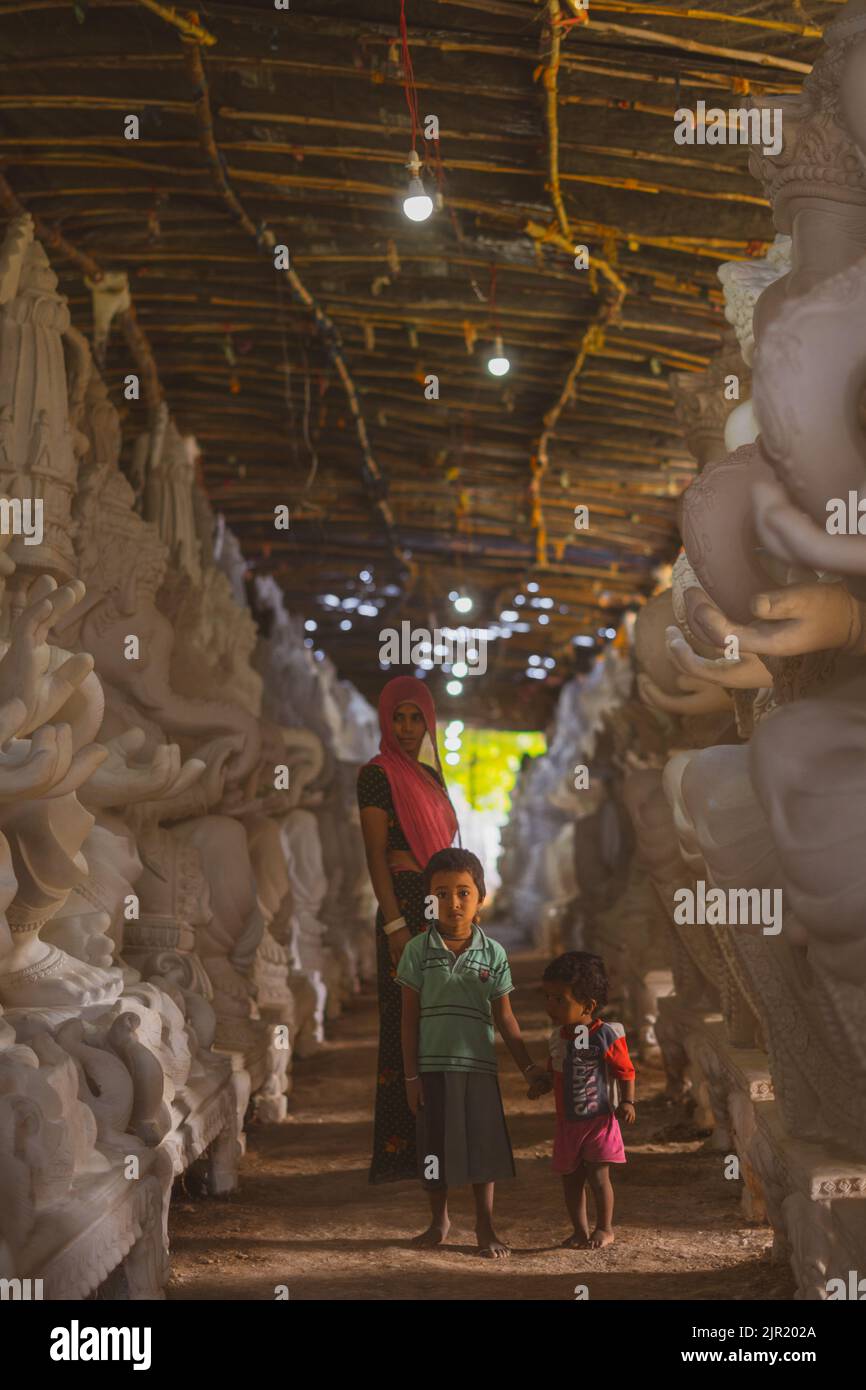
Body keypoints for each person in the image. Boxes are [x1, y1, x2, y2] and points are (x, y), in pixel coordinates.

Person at [397, 847, 548, 1257]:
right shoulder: (416, 951)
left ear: (480, 896)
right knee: (434, 1148)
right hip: (431, 1067)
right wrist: (410, 1077)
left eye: (463, 892)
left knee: (483, 1146)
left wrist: (529, 1067)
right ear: (429, 900)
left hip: (479, 1067)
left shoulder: (494, 953)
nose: (453, 903)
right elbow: (408, 1020)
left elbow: (506, 1019)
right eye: (441, 894)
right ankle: (438, 1219)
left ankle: (485, 1224)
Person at [357, 675, 459, 1184]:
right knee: (405, 1027)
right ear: (385, 721)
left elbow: (444, 858)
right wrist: (396, 924)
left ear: (429, 721)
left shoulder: (433, 780)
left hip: (443, 913)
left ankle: (445, 1144)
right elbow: (377, 855)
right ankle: (403, 1152)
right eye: (397, 717)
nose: (406, 727)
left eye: (415, 717)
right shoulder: (376, 775)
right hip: (403, 914)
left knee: (445, 1023)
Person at [530, 951, 636, 1249]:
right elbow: (556, 1072)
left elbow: (625, 1071)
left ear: (588, 1006)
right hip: (568, 1123)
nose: (550, 1006)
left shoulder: (606, 1035)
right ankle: (578, 1230)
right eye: (547, 997)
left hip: (598, 1119)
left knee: (598, 1175)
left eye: (559, 1000)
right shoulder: (558, 1038)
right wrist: (541, 1084)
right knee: (571, 1179)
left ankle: (605, 1228)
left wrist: (628, 1102)